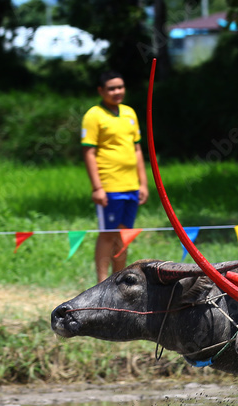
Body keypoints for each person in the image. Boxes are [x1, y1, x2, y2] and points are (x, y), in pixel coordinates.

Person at [81, 70, 150, 283]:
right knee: (108, 235)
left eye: (120, 87)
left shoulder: (129, 113)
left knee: (124, 236)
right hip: (109, 187)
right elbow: (88, 152)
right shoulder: (93, 115)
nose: (117, 91)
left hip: (131, 186)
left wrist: (143, 182)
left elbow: (137, 149)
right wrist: (97, 187)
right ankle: (102, 284)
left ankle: (119, 283)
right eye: (111, 88)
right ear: (101, 91)